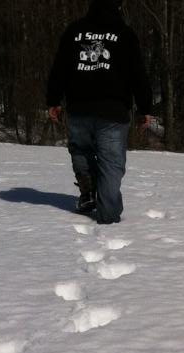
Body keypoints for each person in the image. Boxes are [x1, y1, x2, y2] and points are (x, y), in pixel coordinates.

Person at [46, 0, 154, 224]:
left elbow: (60, 68)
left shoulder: (74, 31)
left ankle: (88, 191)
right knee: (111, 163)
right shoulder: (124, 34)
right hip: (113, 111)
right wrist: (145, 108)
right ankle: (108, 212)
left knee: (81, 150)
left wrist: (53, 100)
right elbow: (137, 73)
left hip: (79, 108)